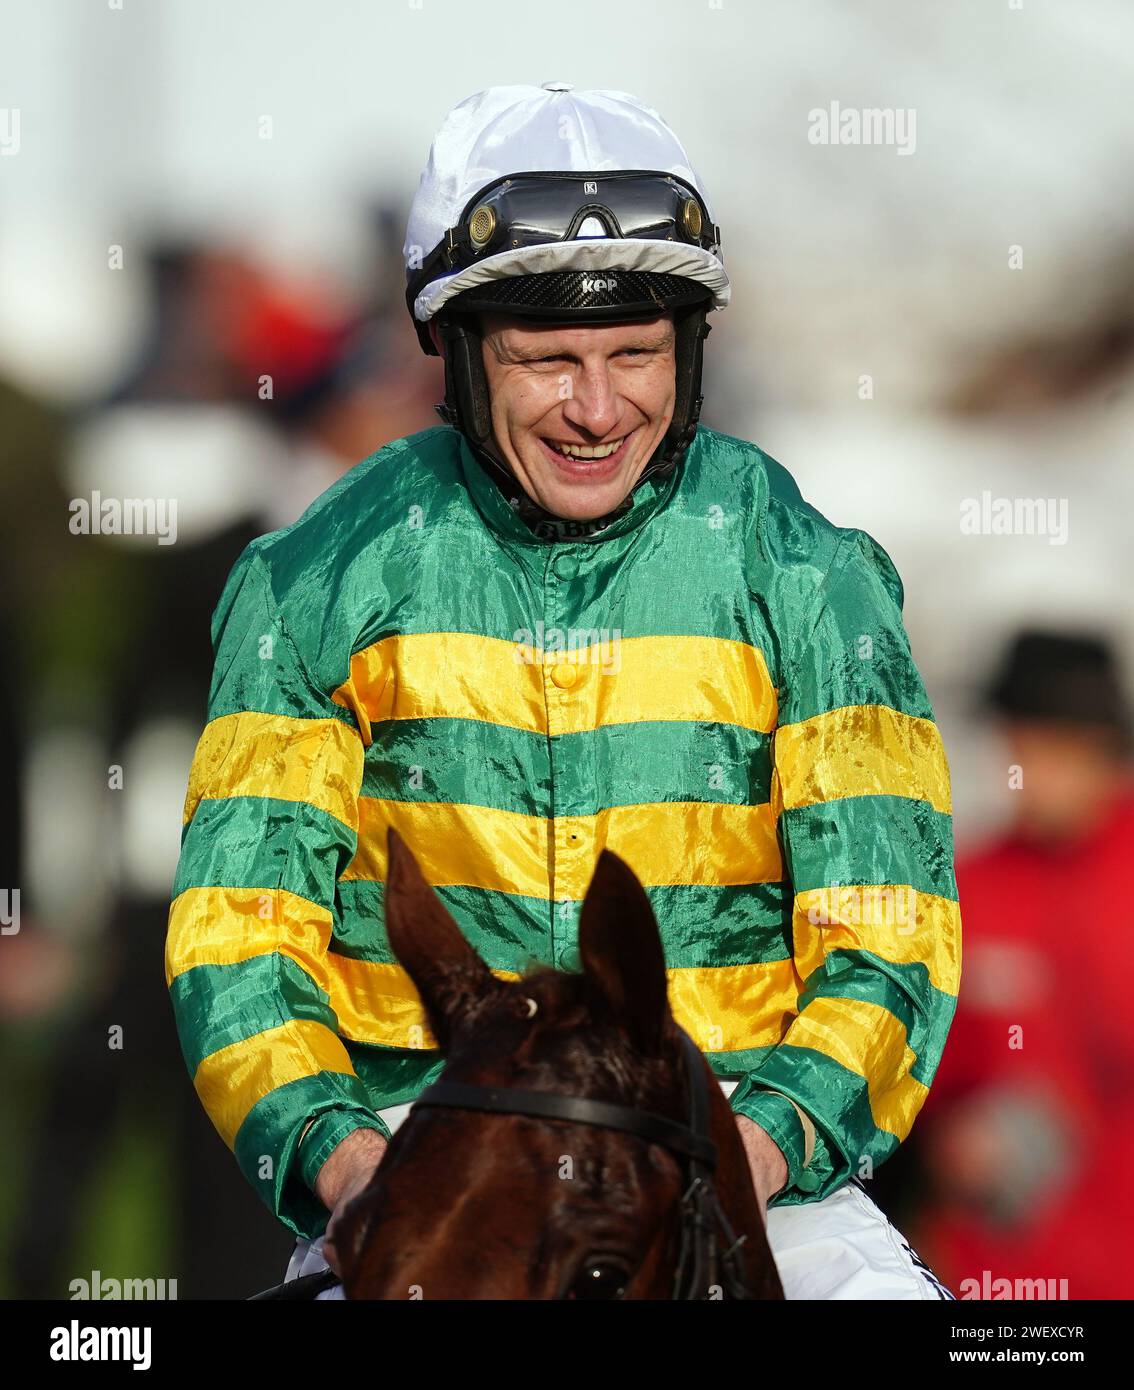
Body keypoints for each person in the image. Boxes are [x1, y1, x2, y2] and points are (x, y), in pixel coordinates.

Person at [165, 83, 960, 1299]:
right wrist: (346, 1158)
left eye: (635, 353)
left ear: (688, 350)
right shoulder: (311, 579)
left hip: (745, 1157)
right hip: (426, 1159)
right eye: (547, 361)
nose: (598, 409)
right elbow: (238, 931)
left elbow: (891, 931)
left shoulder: (814, 575)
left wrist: (755, 1147)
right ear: (462, 355)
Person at [912, 630, 1134, 1299]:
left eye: (1057, 749)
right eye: (1020, 745)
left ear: (1106, 750)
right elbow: (919, 1069)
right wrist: (947, 1134)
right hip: (995, 1277)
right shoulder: (967, 886)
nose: (1033, 771)